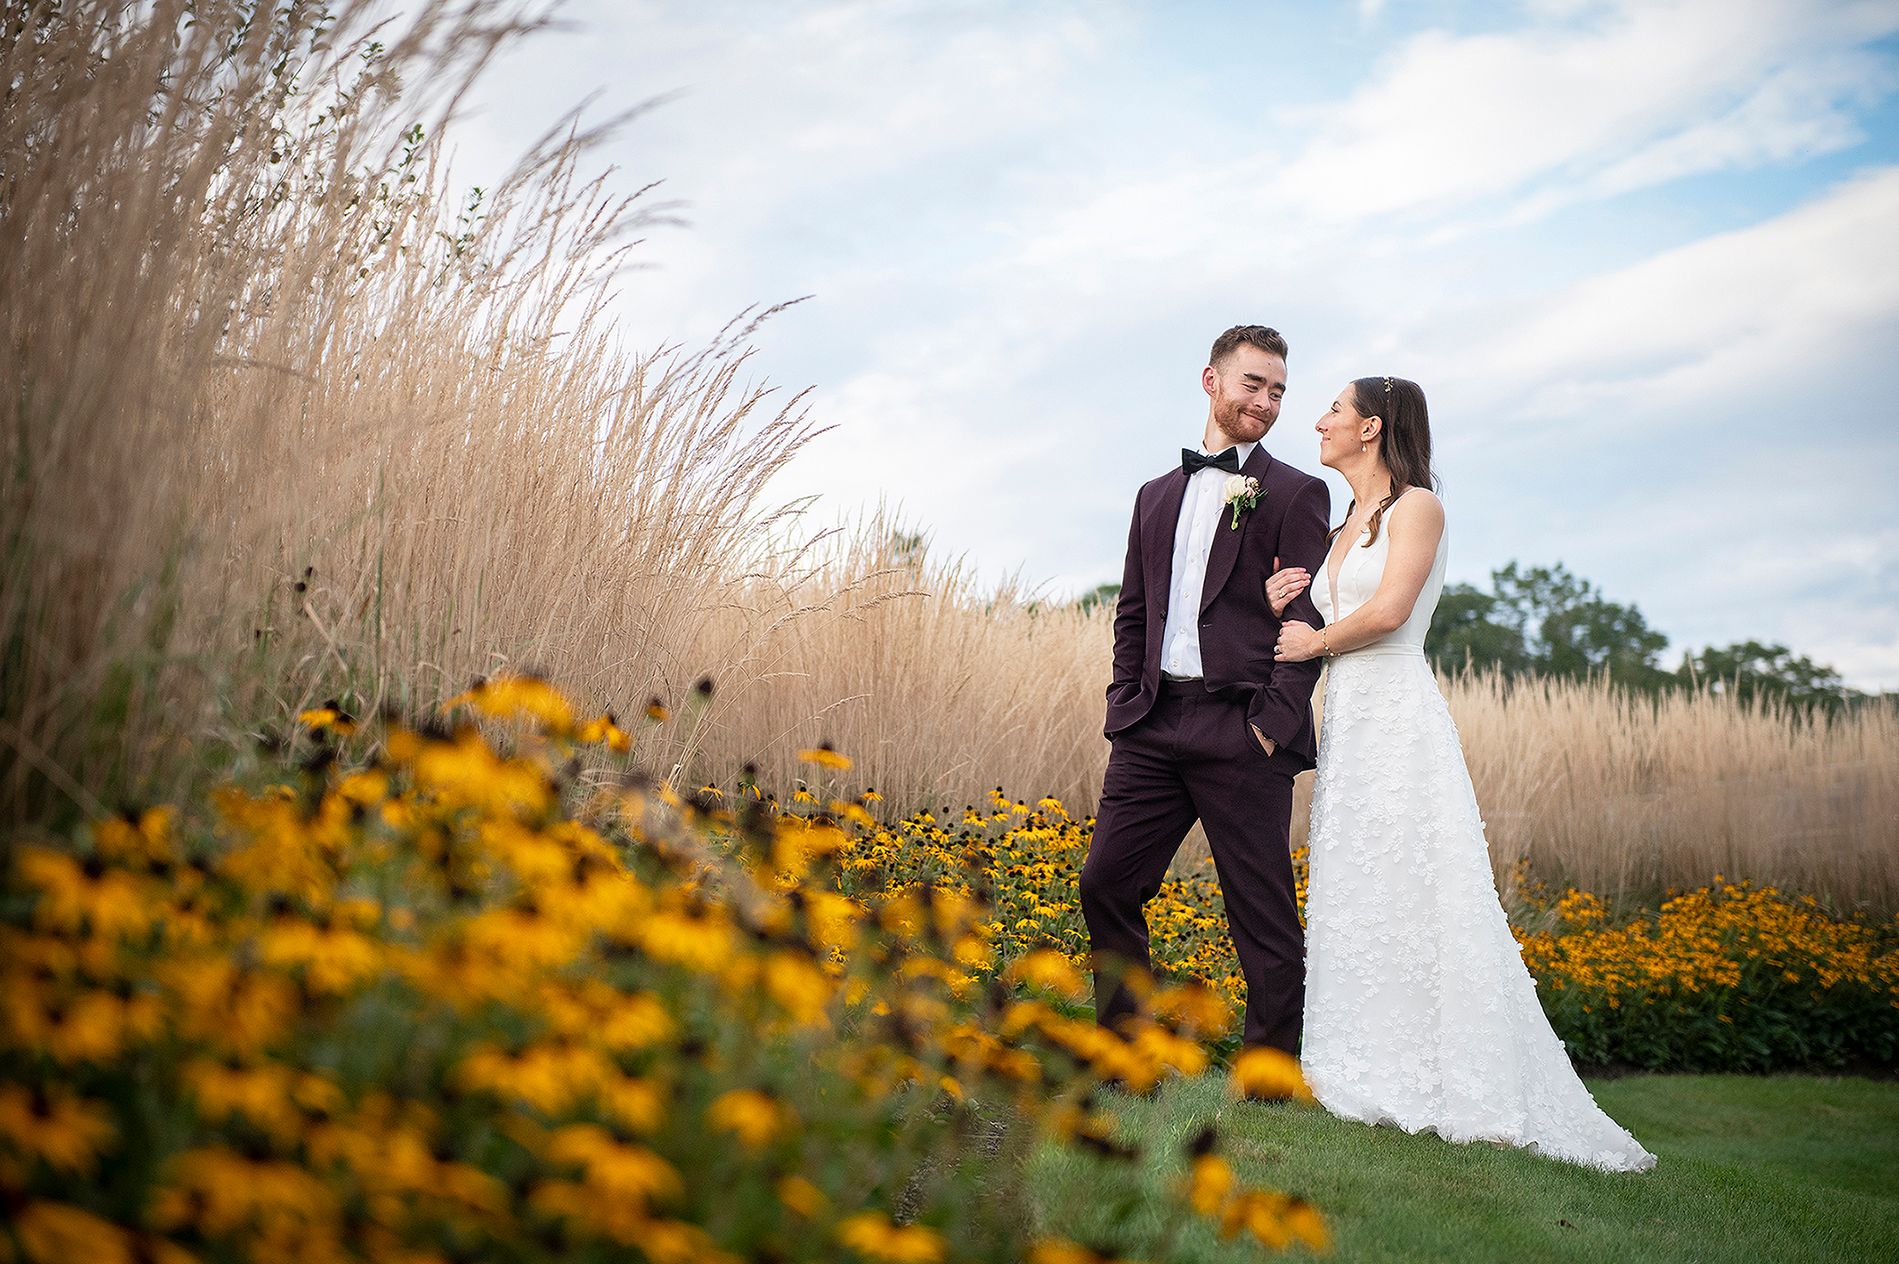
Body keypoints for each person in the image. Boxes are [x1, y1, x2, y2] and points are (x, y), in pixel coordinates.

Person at [1267, 376, 1656, 1172]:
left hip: (1398, 715)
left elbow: (1388, 612)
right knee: (1364, 890)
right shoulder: (1341, 525)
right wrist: (1286, 605)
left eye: (1333, 410)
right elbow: (1327, 614)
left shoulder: (1418, 507)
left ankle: (1459, 1078)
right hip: (1349, 720)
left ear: (1371, 427)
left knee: (1421, 888)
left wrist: (1313, 642)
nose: (1317, 421)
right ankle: (1361, 1068)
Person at [1080, 325, 1331, 1055]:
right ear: (1210, 381)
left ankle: (1269, 1075)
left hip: (1242, 728)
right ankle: (1124, 1053)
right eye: (1253, 384)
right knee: (1106, 884)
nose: (1266, 402)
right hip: (1152, 725)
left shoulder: (1296, 493)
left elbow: (1308, 618)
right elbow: (1133, 612)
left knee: (1260, 912)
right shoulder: (1154, 496)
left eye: (1277, 391)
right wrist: (1124, 706)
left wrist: (1270, 723)